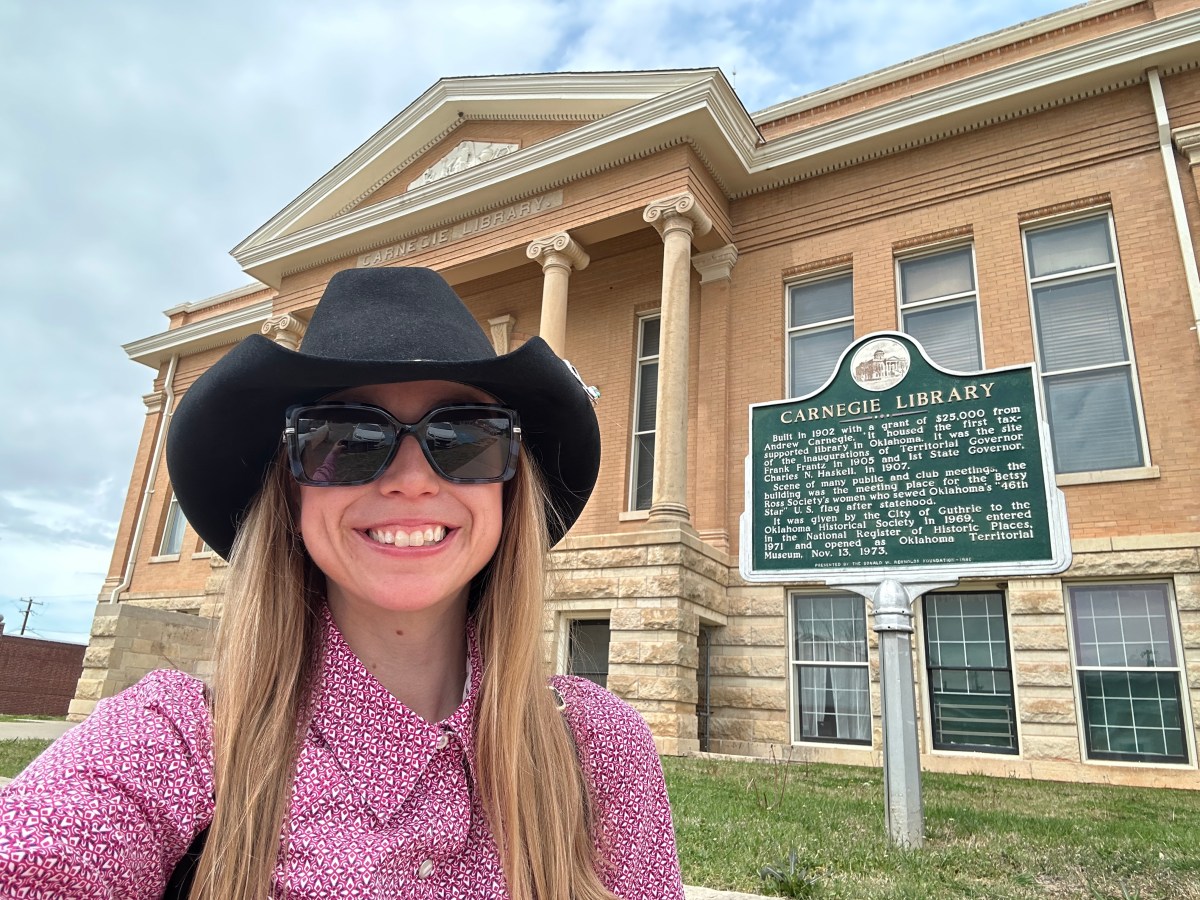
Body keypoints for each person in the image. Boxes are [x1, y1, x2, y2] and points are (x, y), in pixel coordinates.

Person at [0, 267, 686, 900]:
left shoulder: (600, 750)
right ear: (290, 490)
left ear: (511, 488)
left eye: (465, 437)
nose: (413, 479)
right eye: (347, 438)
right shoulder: (172, 745)